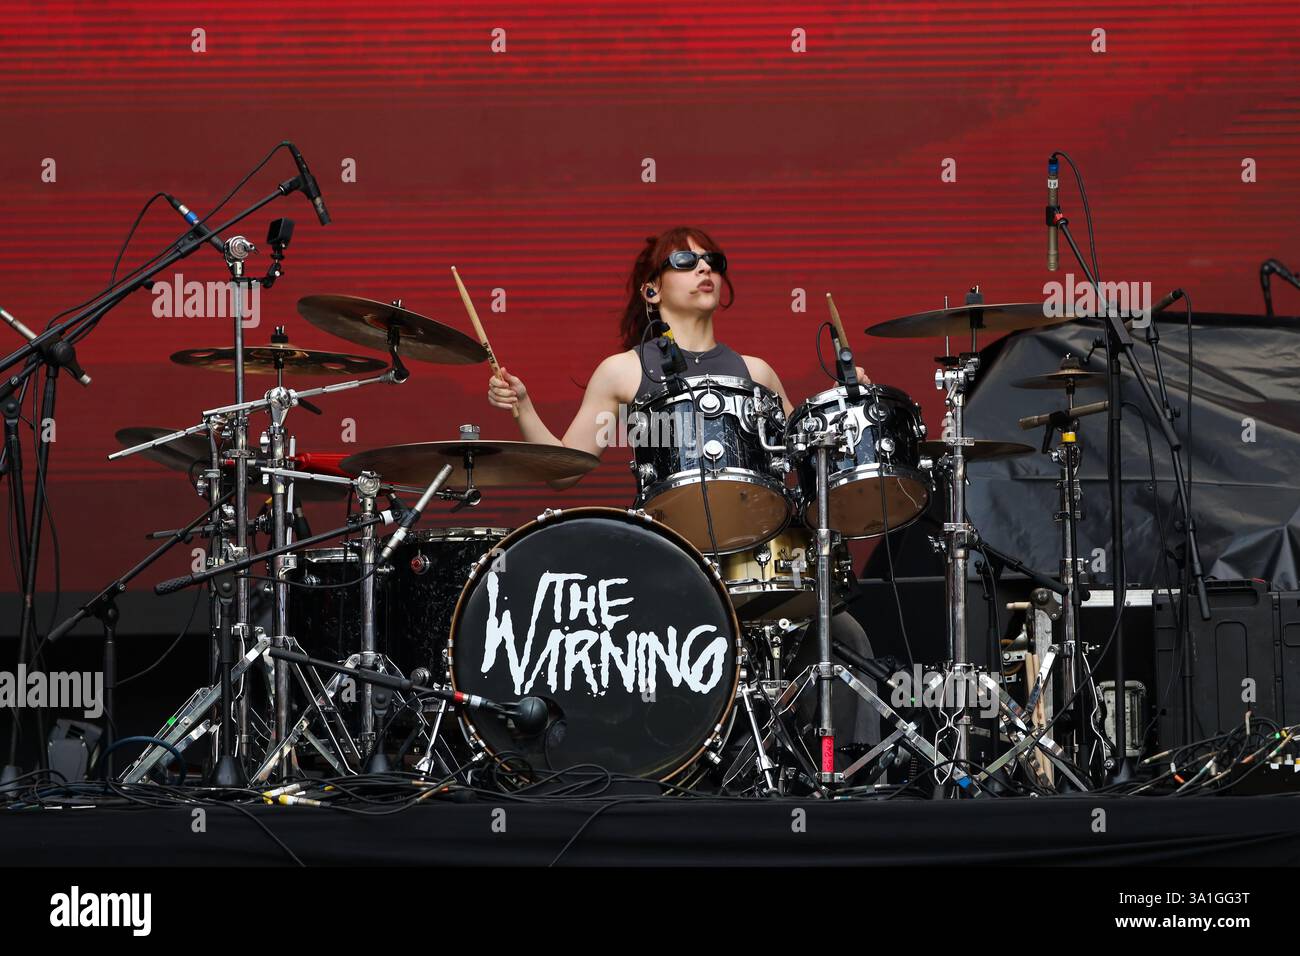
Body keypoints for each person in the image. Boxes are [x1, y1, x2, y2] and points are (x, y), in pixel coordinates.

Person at [486, 225, 881, 768]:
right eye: (684, 261)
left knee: (843, 633)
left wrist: (846, 407)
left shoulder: (757, 372)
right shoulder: (623, 371)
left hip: (754, 564)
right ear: (651, 290)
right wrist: (523, 408)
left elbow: (801, 468)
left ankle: (843, 769)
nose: (705, 270)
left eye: (713, 261)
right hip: (665, 567)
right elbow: (564, 473)